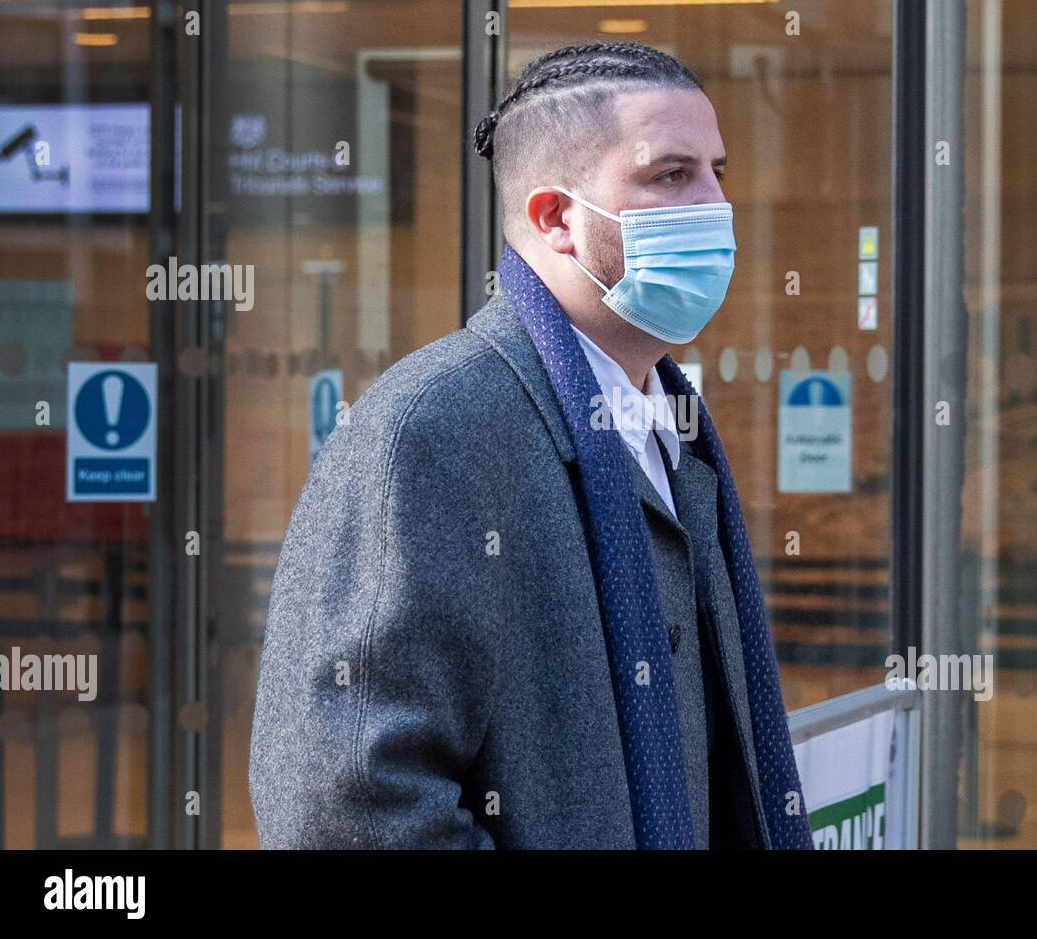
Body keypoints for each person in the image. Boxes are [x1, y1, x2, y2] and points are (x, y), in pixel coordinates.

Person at [249, 42, 813, 850]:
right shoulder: (432, 431)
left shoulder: (673, 429)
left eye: (718, 171)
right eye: (670, 175)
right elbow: (344, 809)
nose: (715, 205)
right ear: (556, 219)